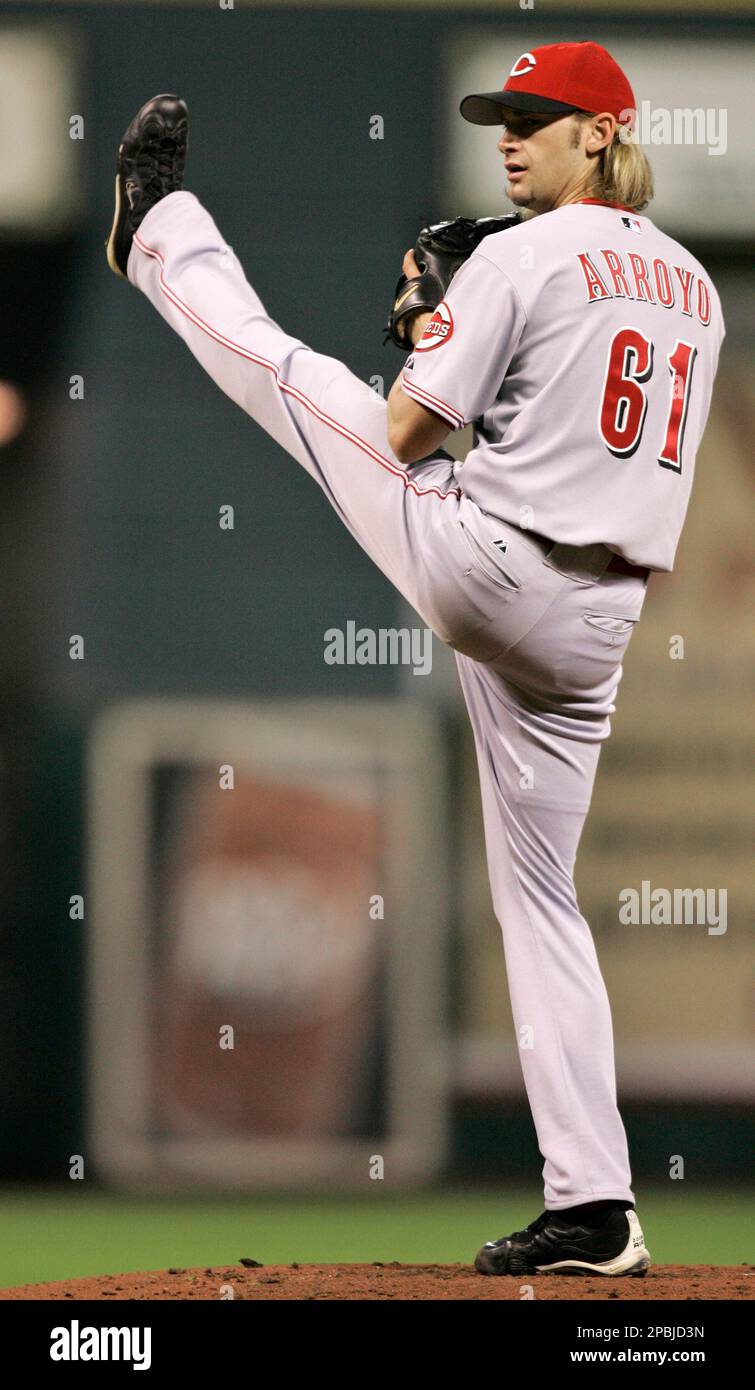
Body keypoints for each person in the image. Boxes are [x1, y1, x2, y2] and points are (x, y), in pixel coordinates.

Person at [105, 40, 723, 1277]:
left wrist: (427, 326)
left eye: (539, 118)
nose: (510, 134)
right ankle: (596, 1205)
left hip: (485, 565)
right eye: (502, 115)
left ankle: (156, 235)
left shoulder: (520, 252)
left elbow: (408, 424)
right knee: (541, 900)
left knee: (301, 379)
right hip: (595, 625)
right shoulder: (696, 288)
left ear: (601, 133)